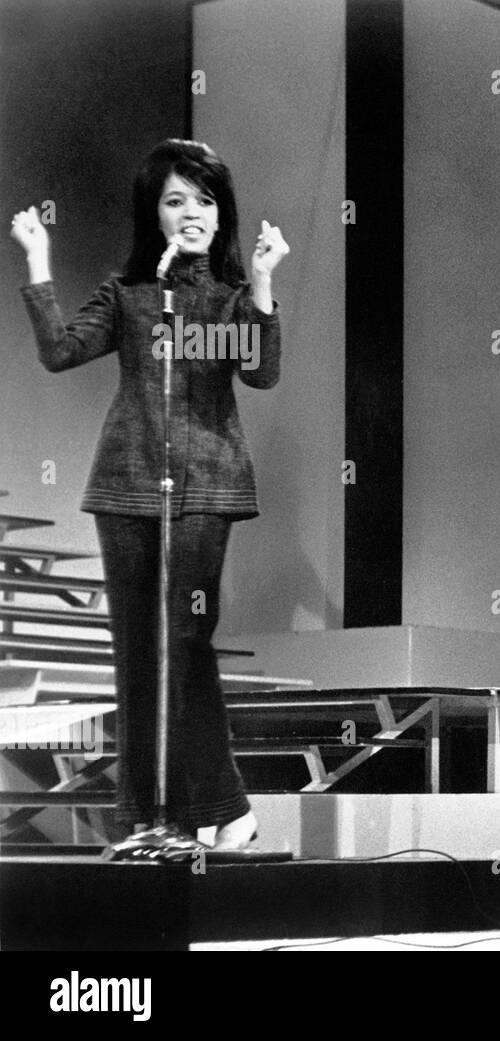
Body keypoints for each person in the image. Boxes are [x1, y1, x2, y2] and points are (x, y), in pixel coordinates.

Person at [10, 139, 289, 850]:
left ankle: (221, 807)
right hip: (126, 483)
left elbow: (259, 375)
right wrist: (38, 261)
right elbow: (59, 351)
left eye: (203, 199)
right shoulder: (130, 293)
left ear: (220, 213)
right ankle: (145, 820)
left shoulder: (230, 299)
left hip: (208, 484)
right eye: (175, 200)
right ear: (155, 215)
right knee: (137, 653)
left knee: (184, 639)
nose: (190, 212)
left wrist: (261, 281)